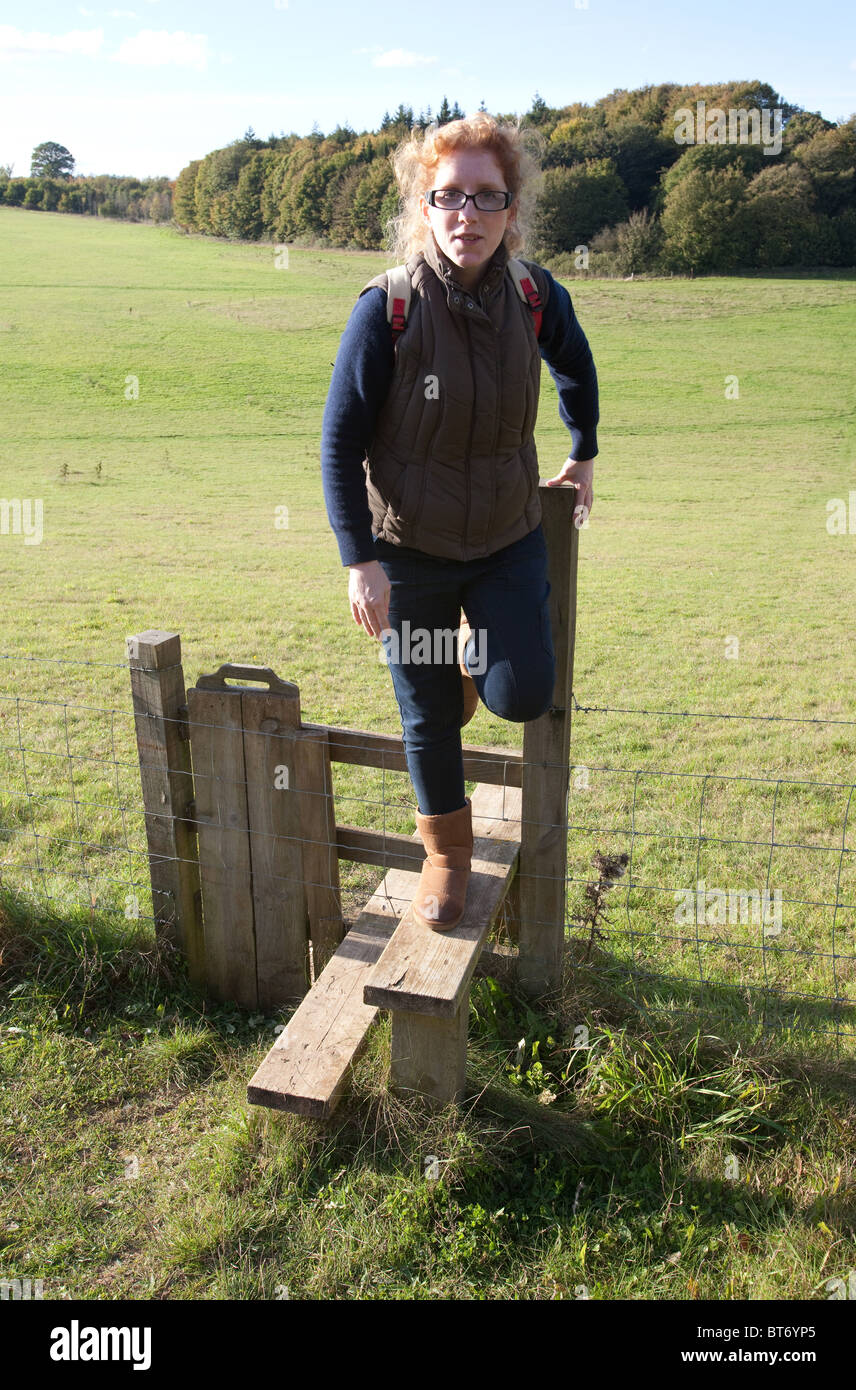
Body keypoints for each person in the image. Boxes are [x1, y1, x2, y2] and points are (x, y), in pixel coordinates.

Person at [321, 111, 598, 933]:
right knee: (429, 714)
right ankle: (445, 859)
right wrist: (358, 560)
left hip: (510, 539)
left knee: (524, 694)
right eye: (450, 197)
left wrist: (582, 450)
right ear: (424, 203)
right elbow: (339, 444)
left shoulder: (534, 293)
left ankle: (478, 657)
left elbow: (575, 366)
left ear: (511, 210)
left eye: (487, 197)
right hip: (409, 553)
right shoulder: (389, 310)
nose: (467, 216)